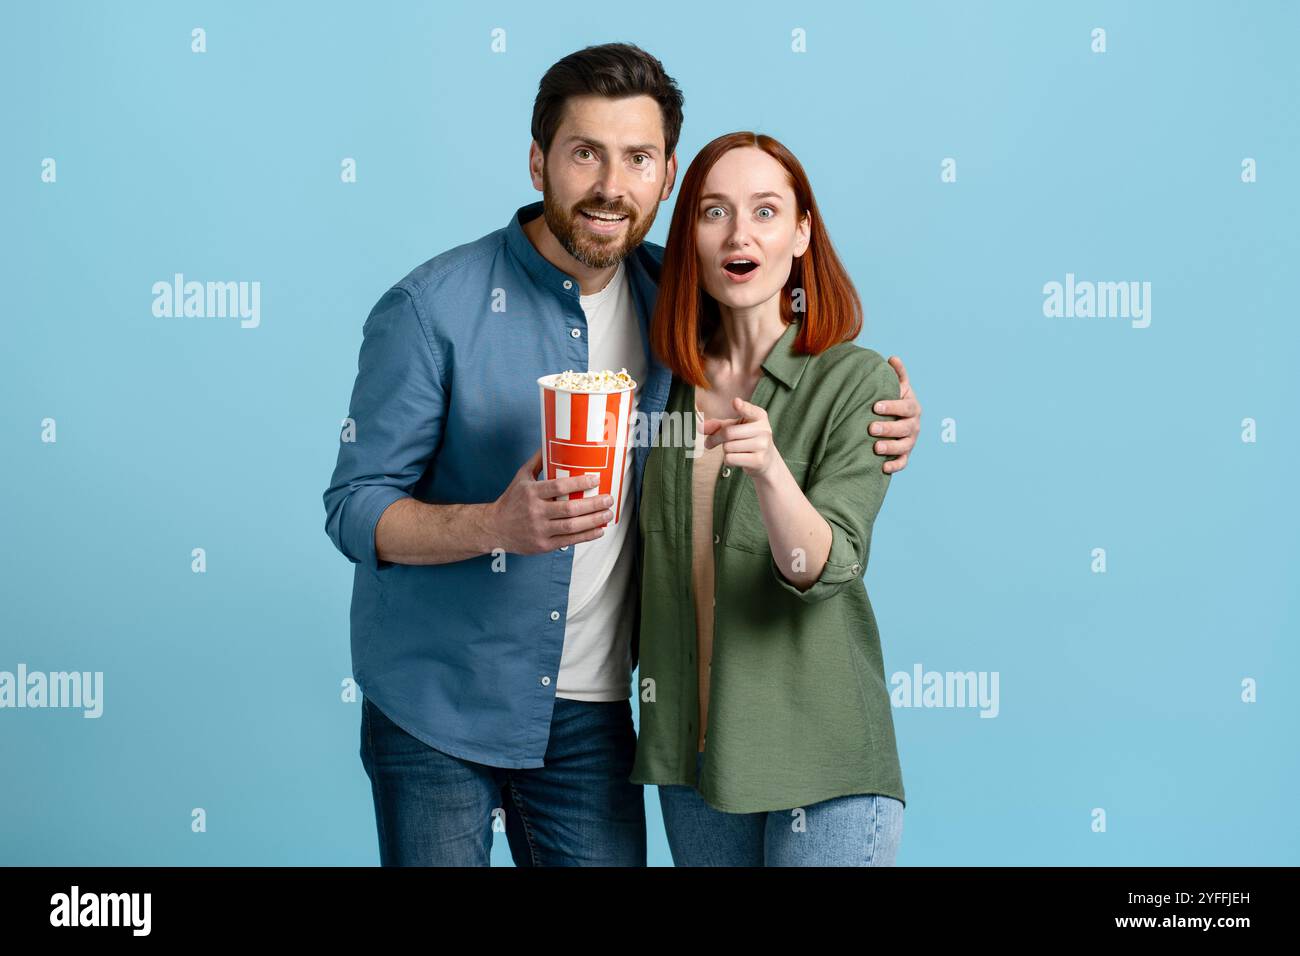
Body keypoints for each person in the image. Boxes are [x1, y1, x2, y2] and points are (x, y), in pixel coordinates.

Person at [322, 43, 922, 867]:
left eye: (637, 157)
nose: (611, 184)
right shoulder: (432, 308)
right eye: (584, 154)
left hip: (596, 715)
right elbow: (354, 507)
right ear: (539, 162)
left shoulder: (677, 307)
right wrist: (494, 524)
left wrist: (880, 412)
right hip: (440, 707)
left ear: (665, 175)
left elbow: (785, 359)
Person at [629, 131, 907, 866]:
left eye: (765, 210)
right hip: (695, 757)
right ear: (688, 235)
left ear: (802, 232)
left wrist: (771, 472)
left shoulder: (857, 383)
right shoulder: (662, 388)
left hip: (825, 762)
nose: (739, 233)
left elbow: (827, 567)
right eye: (714, 212)